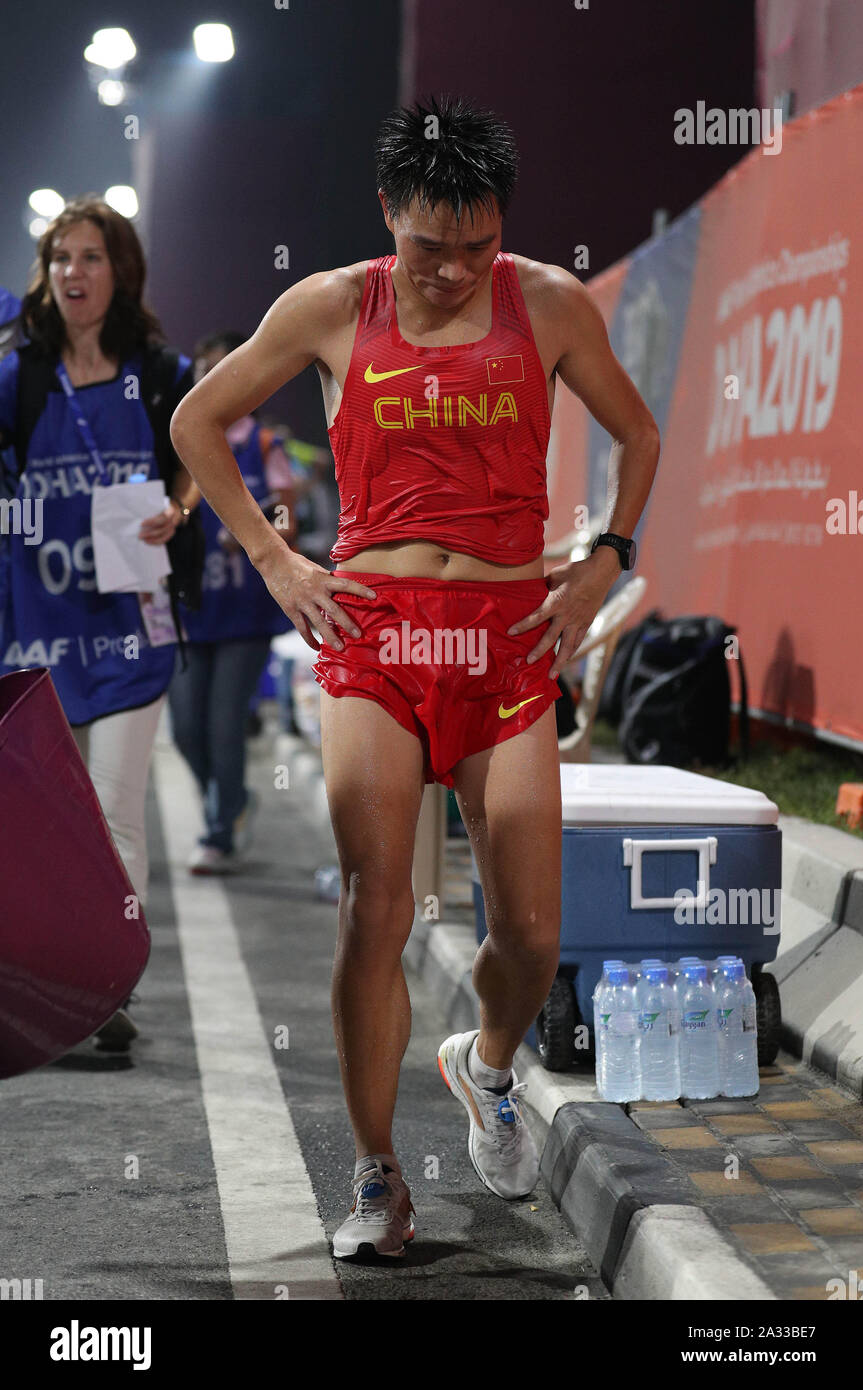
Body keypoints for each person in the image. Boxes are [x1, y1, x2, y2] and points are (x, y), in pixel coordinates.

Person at [170, 95, 660, 1258]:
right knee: (374, 906)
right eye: (428, 247)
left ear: (503, 228)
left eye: (475, 247)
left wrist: (603, 563)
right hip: (375, 634)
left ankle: (485, 1066)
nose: (450, 272)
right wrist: (278, 559)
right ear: (388, 214)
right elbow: (198, 421)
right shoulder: (334, 305)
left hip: (506, 638)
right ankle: (378, 1179)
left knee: (533, 934)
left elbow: (637, 436)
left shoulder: (544, 302)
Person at [0, 197, 200, 1049]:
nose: (73, 272)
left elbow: (200, 463)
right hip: (38, 622)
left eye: (90, 256)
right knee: (50, 814)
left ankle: (107, 987)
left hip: (130, 621)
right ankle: (47, 974)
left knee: (118, 807)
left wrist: (181, 510)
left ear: (119, 271)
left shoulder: (160, 372)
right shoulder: (16, 374)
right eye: (60, 258)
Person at [167, 330, 296, 873]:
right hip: (187, 610)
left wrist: (254, 530)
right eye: (205, 368)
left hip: (244, 614)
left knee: (224, 725)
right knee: (186, 729)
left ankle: (219, 831)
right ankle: (232, 803)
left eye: (227, 368)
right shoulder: (174, 442)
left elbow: (288, 518)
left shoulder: (264, 444)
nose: (213, 379)